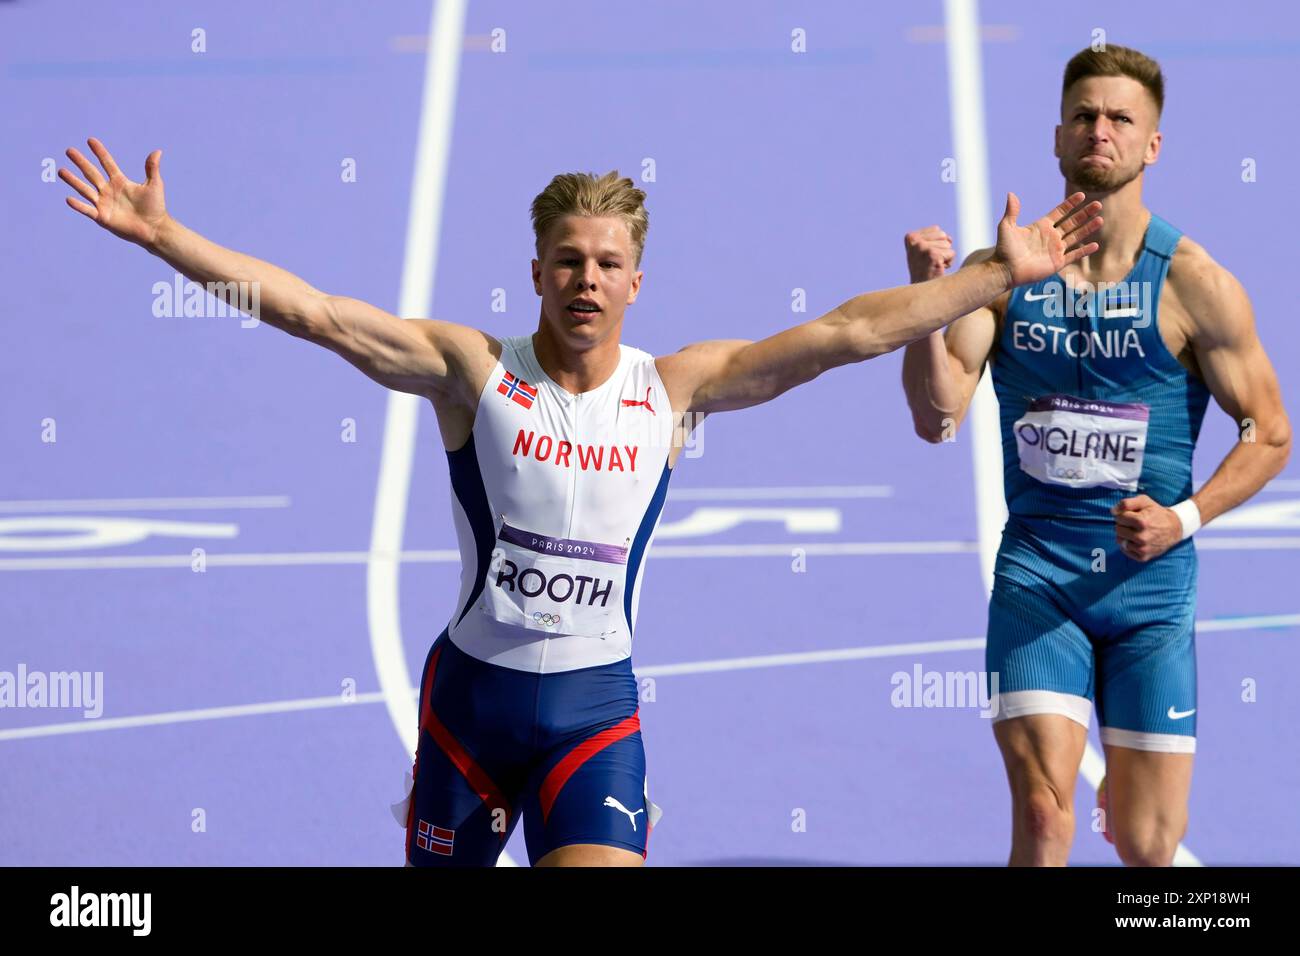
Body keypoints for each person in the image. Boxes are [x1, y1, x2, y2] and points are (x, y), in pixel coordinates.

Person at [60, 139, 1100, 866]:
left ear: (636, 281)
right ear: (537, 271)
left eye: (607, 263)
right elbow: (318, 313)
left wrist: (987, 280)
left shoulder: (675, 387)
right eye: (568, 261)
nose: (586, 280)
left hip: (595, 718)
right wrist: (166, 240)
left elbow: (844, 331)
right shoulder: (472, 371)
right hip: (468, 711)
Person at [900, 45, 1291, 866]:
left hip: (1150, 590)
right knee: (1045, 817)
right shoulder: (1000, 272)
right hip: (1039, 579)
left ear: (1153, 146)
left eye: (1120, 119)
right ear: (1057, 136)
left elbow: (1270, 433)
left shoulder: (1194, 282)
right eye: (1084, 116)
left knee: (1148, 846)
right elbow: (937, 414)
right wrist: (924, 307)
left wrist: (1182, 518)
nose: (1099, 131)